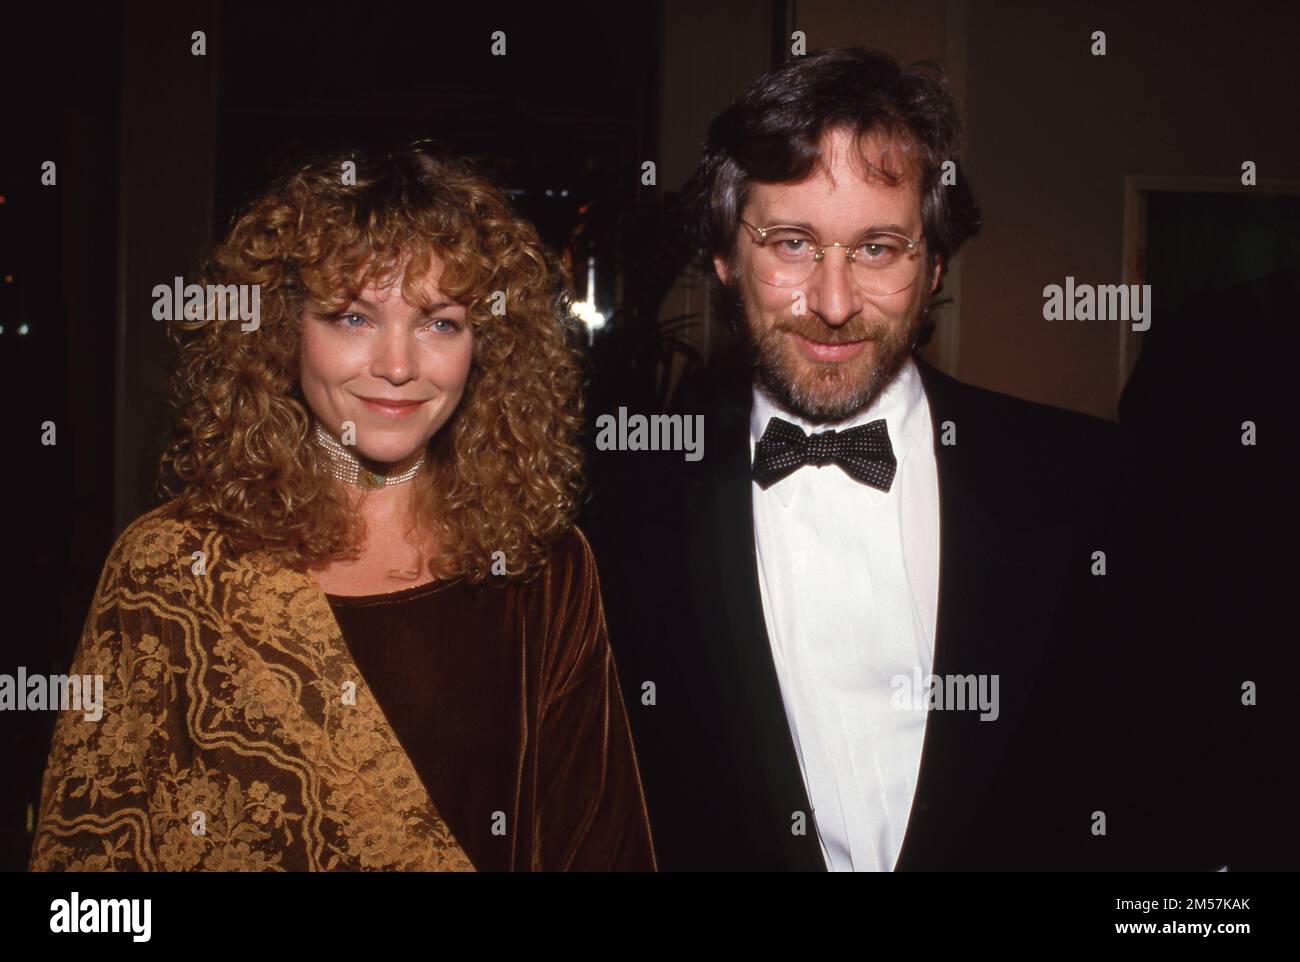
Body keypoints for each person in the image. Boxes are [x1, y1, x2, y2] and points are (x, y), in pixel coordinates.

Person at [594, 46, 1169, 871]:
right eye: (791, 243)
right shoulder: (620, 514)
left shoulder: (1090, 486)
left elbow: (1148, 784)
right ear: (725, 260)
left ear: (933, 265)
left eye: (877, 249)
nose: (832, 304)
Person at [29, 142, 656, 872]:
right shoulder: (171, 571)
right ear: (281, 330)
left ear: (488, 347)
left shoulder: (542, 568)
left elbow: (601, 847)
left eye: (440, 322)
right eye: (353, 318)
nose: (397, 365)